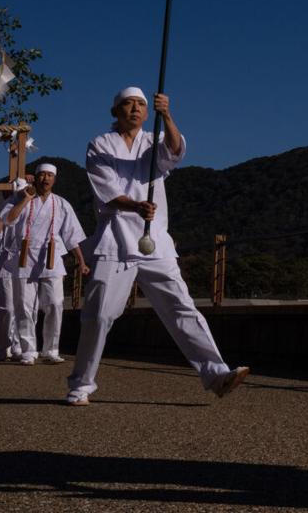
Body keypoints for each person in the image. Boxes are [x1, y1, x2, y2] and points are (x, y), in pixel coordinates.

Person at [66, 87, 248, 405]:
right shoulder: (99, 144)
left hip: (154, 242)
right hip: (116, 241)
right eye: (127, 104)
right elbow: (106, 190)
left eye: (141, 104)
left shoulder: (153, 140)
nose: (135, 108)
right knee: (99, 315)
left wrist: (167, 115)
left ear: (148, 112)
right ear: (115, 111)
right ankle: (81, 383)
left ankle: (216, 374)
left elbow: (175, 151)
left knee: (181, 307)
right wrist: (135, 205)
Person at [3, 163, 89, 365]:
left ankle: (51, 349)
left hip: (51, 256)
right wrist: (25, 199)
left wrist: (81, 261)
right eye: (42, 175)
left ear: (54, 179)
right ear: (36, 177)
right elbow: (8, 220)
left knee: (55, 303)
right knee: (24, 306)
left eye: (50, 175)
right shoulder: (20, 198)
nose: (46, 179)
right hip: (24, 256)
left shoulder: (61, 204)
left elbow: (71, 236)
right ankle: (28, 350)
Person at [0, 179, 26, 362]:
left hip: (20, 268)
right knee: (2, 309)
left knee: (21, 307)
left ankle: (17, 346)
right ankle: (1, 346)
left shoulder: (27, 219)